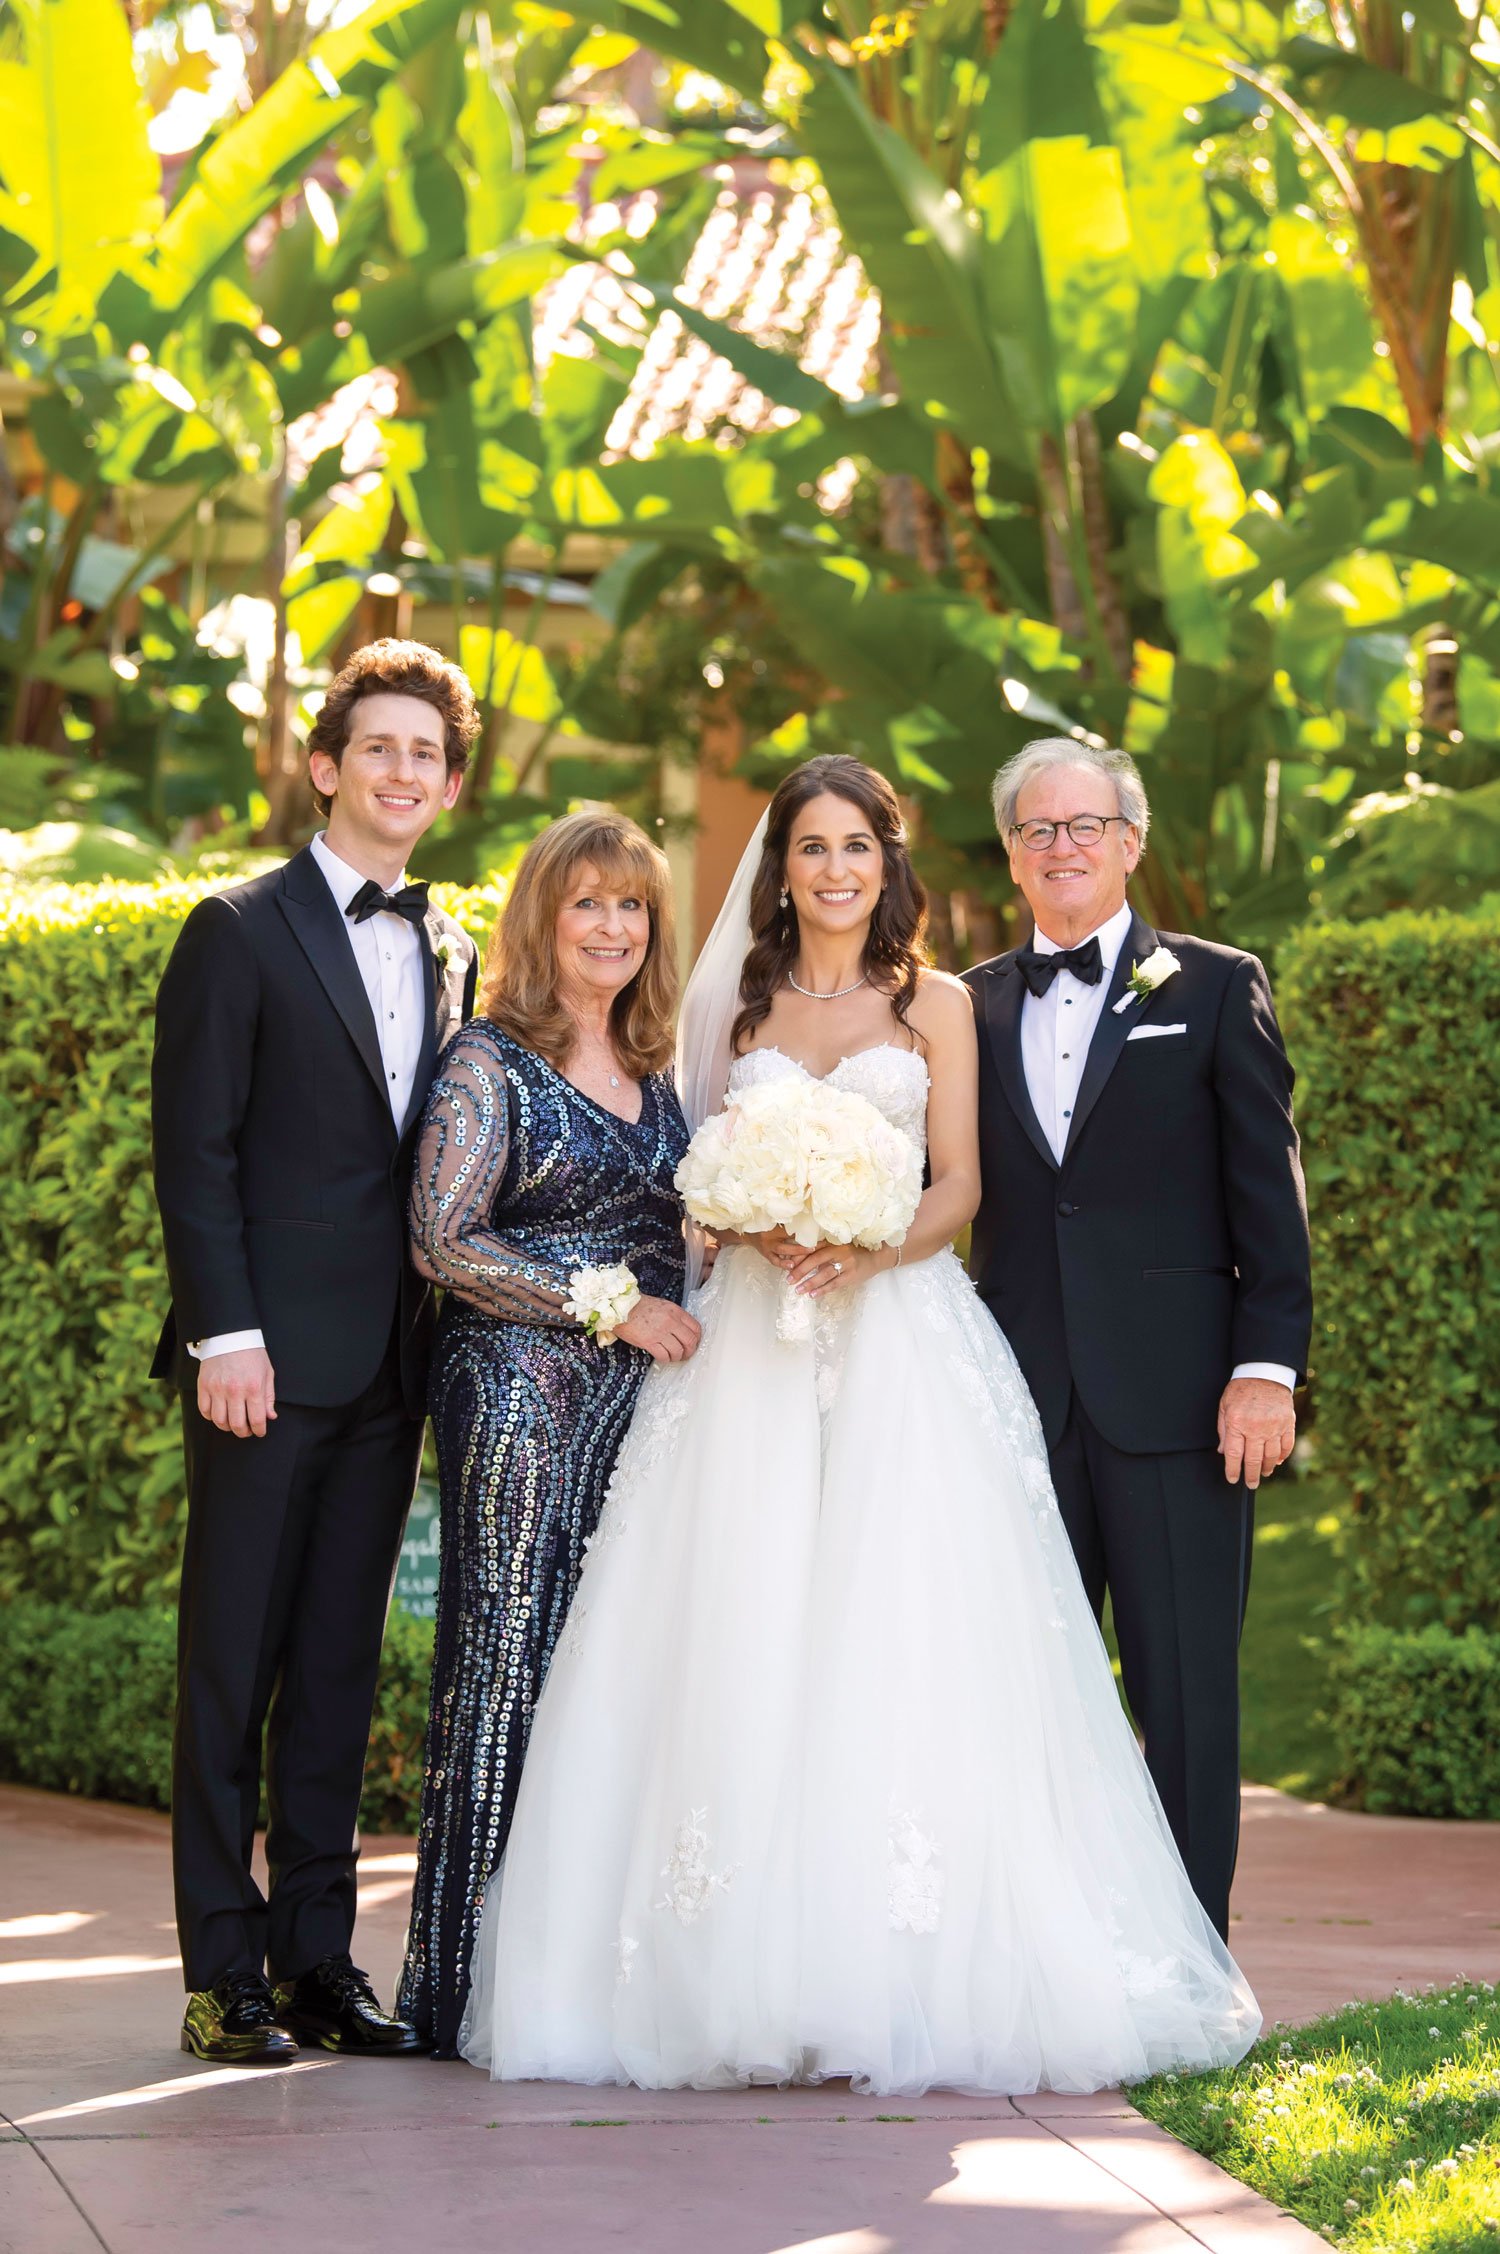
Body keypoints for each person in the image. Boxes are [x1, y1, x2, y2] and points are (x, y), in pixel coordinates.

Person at [459, 753, 1260, 2097]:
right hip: (750, 1365)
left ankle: (901, 1968)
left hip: (901, 1341)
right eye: (812, 845)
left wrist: (867, 1243)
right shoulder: (734, 1005)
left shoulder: (938, 1001)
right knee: (744, 1632)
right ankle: (727, 1969)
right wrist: (752, 1220)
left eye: (858, 846)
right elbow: (690, 1181)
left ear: (891, 862)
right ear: (780, 866)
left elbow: (960, 1185)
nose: (835, 868)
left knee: (902, 1639)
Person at [151, 638, 480, 2064]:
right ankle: (221, 1972)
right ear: (326, 764)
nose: (405, 772)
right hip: (262, 1365)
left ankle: (314, 1963)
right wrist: (227, 1332)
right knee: (233, 1663)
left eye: (429, 754)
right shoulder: (236, 928)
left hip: (390, 1367)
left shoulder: (452, 939)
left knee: (340, 1672)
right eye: (382, 748)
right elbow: (197, 1150)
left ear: (447, 786)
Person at [962, 737, 1312, 1940]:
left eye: (1084, 824)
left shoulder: (1215, 984)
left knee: (1186, 1695)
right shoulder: (967, 1003)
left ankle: (1191, 1960)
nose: (1061, 846)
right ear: (1012, 853)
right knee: (1027, 1694)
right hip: (1016, 1403)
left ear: (1130, 840)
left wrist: (1265, 1371)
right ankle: (1046, 1956)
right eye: (1037, 829)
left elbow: (1270, 1193)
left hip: (1180, 1404)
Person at [395, 810, 698, 2058]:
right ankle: (459, 1983)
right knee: (507, 1654)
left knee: (605, 1672)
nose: (613, 929)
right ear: (544, 917)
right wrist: (614, 1309)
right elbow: (444, 1239)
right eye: (588, 905)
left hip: (643, 1411)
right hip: (518, 1391)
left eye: (632, 908)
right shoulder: (490, 1058)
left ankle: (580, 1973)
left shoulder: (662, 1071)